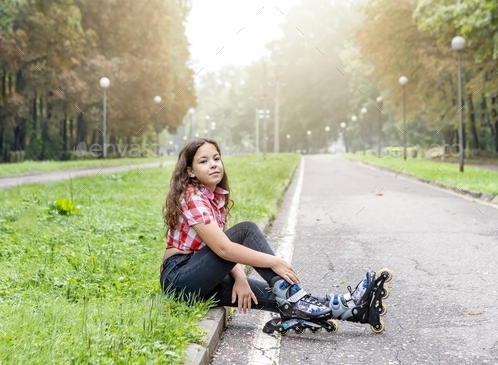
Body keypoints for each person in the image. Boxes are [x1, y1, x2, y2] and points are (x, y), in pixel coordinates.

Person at [160, 137, 389, 334]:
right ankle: (298, 300)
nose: (213, 165)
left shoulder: (213, 198)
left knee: (277, 297)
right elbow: (223, 249)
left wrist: (240, 278)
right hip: (179, 279)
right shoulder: (192, 197)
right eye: (204, 161)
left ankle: (355, 309)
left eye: (216, 158)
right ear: (190, 171)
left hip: (200, 276)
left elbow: (215, 251)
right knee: (246, 230)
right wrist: (275, 262)